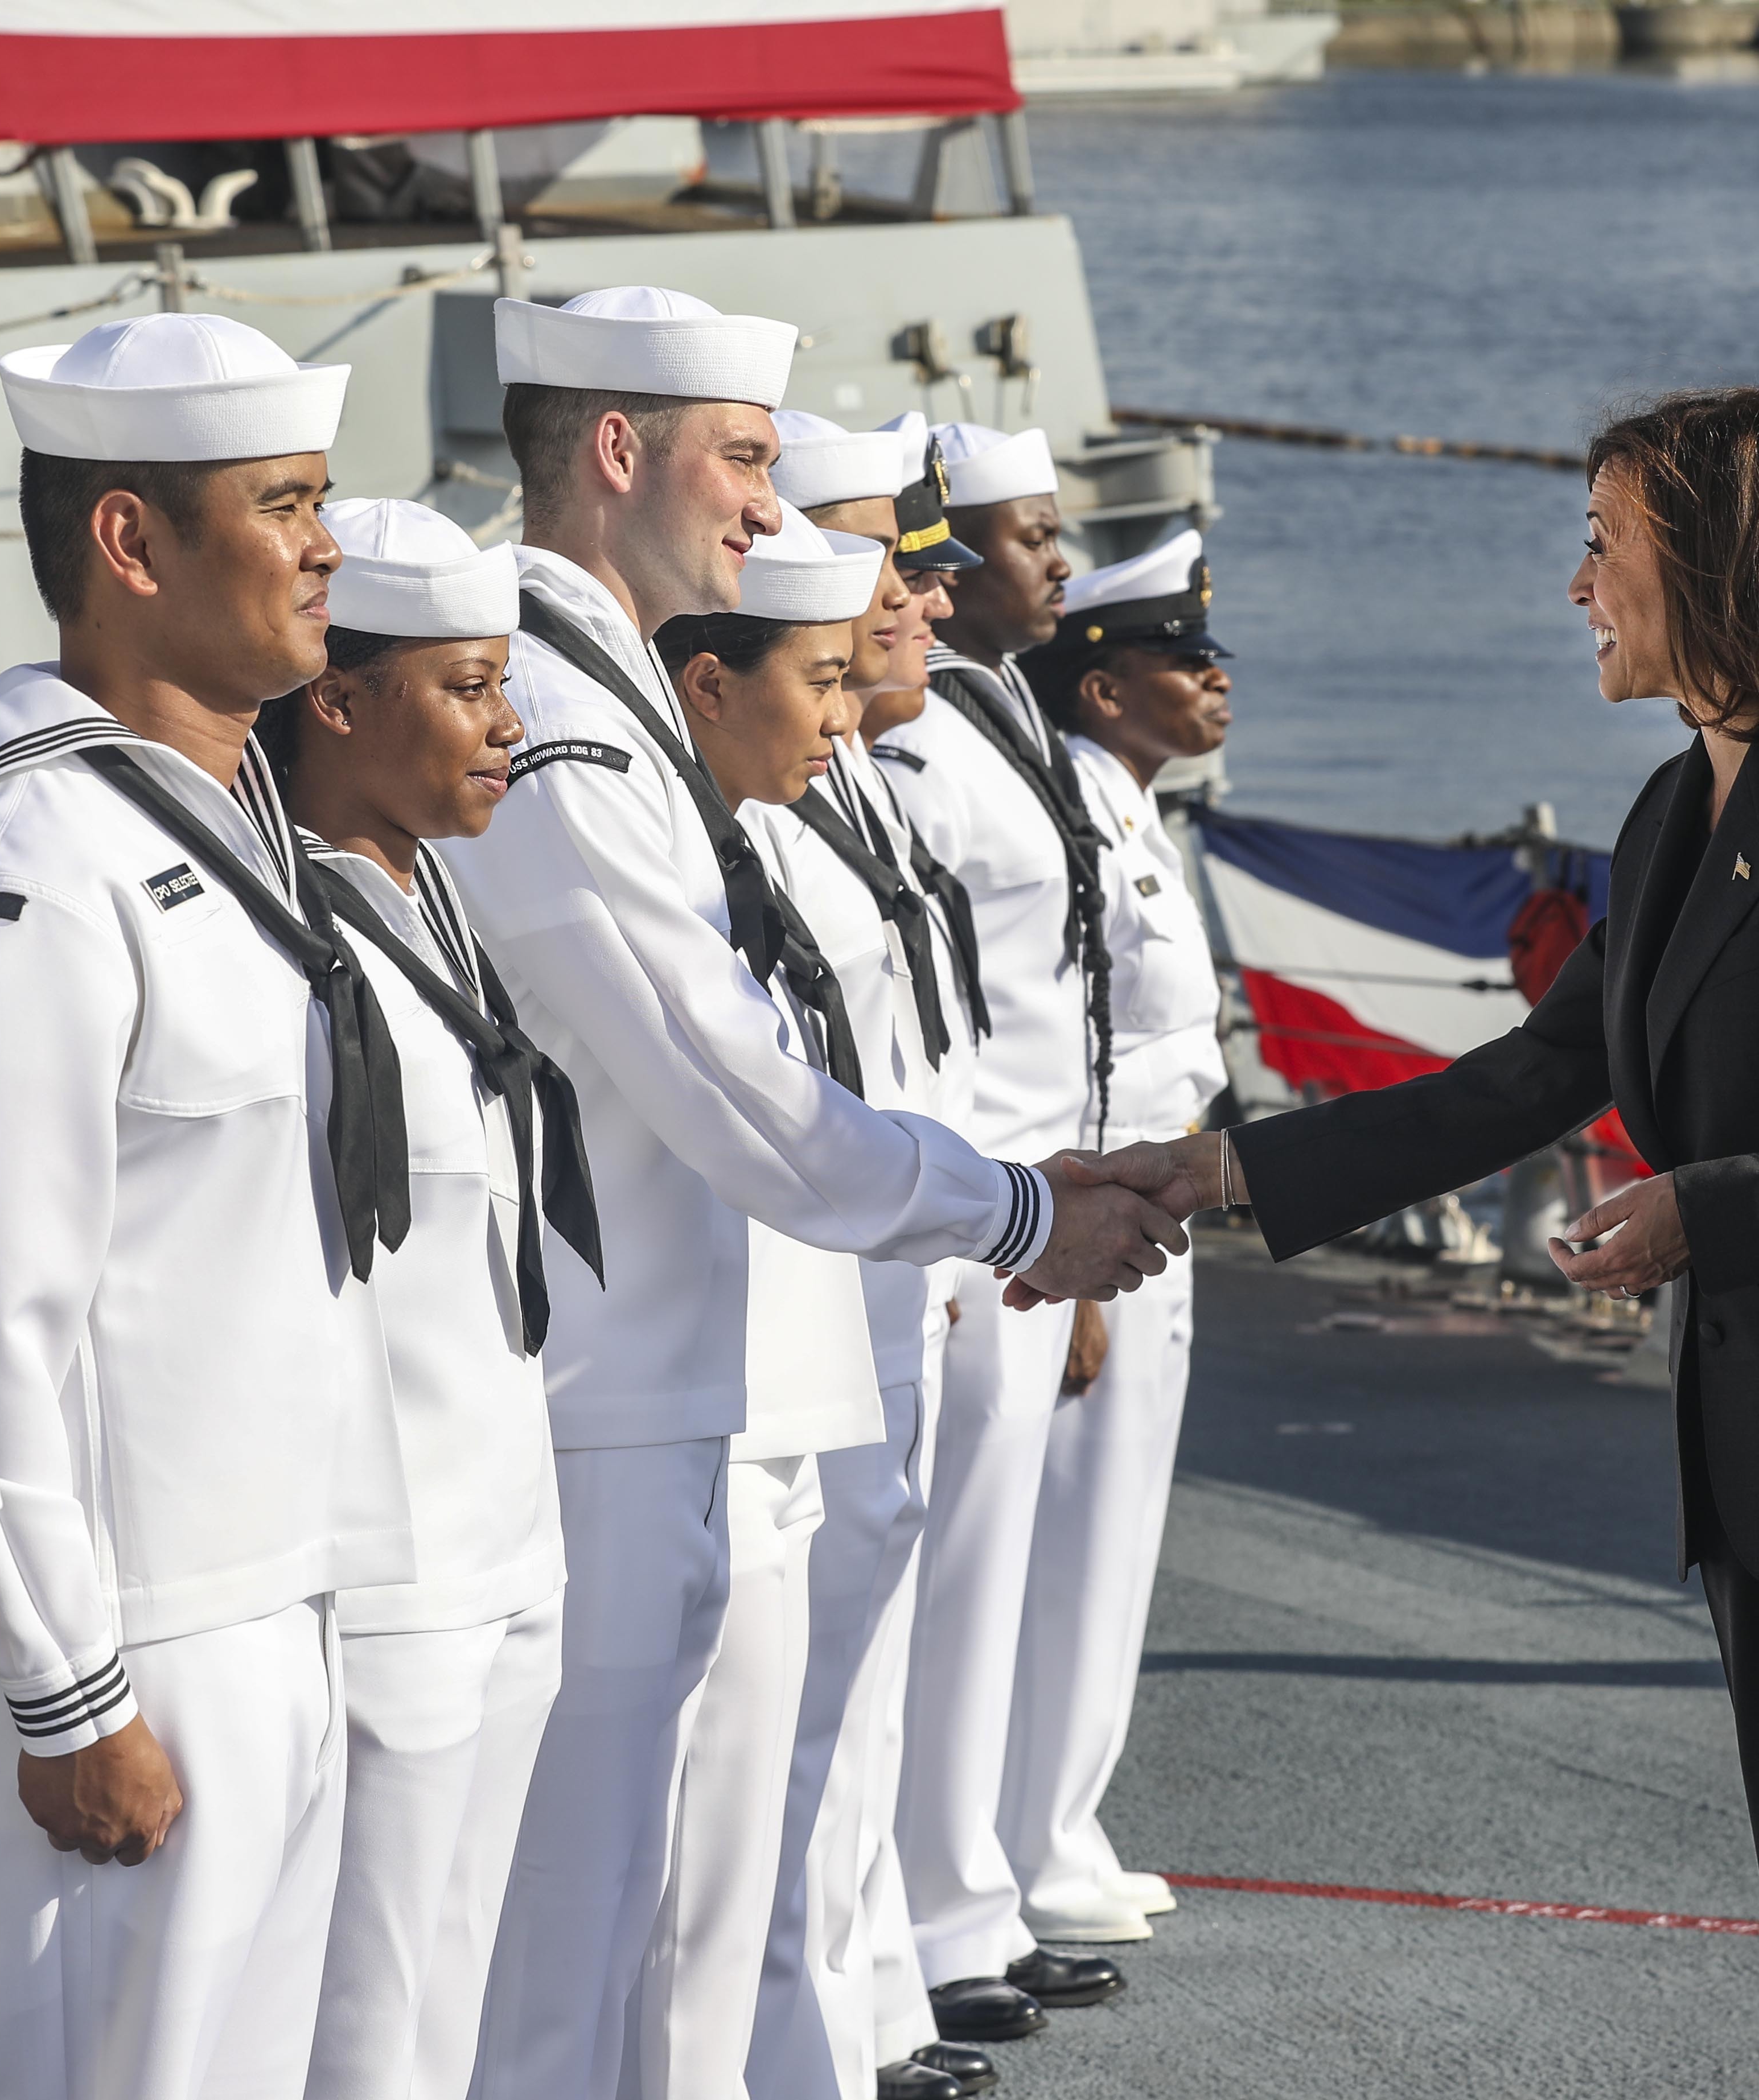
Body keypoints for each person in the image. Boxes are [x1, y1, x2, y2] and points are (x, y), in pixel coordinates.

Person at [1083, 388, 1759, 2099]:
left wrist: (1714, 1211)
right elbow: (1539, 1074)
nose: (1577, 587)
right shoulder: (1676, 811)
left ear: (1721, 563)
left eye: (1602, 546)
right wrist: (1212, 1172)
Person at [439, 289, 1187, 2100]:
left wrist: (1013, 1196)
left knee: (672, 1945)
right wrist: (1019, 1213)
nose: (777, 519)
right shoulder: (555, 722)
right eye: (750, 461)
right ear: (617, 452)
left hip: (694, 1391)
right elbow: (737, 1091)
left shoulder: (610, 699)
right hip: (596, 1417)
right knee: (563, 1983)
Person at [0, 313, 415, 2100]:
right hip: (134, 1627)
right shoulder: (36, 853)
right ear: (130, 544)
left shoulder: (228, 809)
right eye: (283, 502)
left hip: (268, 1584)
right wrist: (68, 1685)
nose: (327, 545)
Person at [258, 499, 598, 2100]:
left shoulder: (426, 892)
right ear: (339, 702)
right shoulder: (282, 928)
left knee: (445, 2009)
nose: (509, 725)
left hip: (502, 1541)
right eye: (468, 687)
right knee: (362, 2030)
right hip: (386, 1575)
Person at [749, 414, 1004, 2100]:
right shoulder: (762, 795)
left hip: (909, 1274)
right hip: (825, 1294)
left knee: (862, 1687)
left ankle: (858, 2008)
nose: (909, 599)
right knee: (796, 1723)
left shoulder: (847, 775)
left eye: (911, 567)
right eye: (873, 562)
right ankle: (810, 2033)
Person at [632, 509, 896, 2100]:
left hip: (796, 1355)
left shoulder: (752, 827)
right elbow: (750, 1101)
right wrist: (1025, 1216)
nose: (848, 714)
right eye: (824, 678)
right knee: (649, 1900)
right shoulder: (641, 829)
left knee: (745, 1855)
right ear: (712, 686)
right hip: (685, 1394)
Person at [873, 425, 1129, 2039]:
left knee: (982, 1568)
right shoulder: (911, 748)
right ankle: (932, 1917)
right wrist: (1005, 1222)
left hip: (1027, 1205)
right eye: (988, 546)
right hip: (973, 1217)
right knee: (942, 1576)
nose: (1028, 569)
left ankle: (956, 1891)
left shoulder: (999, 720)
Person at [1005, 532, 1234, 1945]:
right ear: (1099, 688)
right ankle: (1030, 1840)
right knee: (1071, 1542)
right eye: (1182, 660)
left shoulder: (1133, 810)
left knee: (1113, 1533)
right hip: (1109, 1224)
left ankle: (1058, 1823)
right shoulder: (1079, 816)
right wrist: (1073, 1266)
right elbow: (1069, 1048)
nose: (1213, 680)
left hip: (1160, 1222)